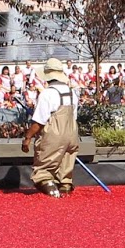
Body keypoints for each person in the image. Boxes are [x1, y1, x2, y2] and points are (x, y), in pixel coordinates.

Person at [21, 57, 79, 197]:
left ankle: (49, 187)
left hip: (54, 133)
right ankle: (65, 186)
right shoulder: (72, 93)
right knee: (65, 163)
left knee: (44, 166)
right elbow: (74, 116)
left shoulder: (47, 93)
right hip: (72, 133)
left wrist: (27, 137)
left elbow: (39, 122)